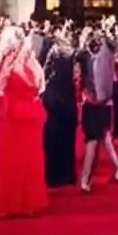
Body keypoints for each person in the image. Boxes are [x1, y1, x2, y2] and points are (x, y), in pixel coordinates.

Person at [0, 27, 48, 218]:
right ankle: (26, 202)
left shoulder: (9, 60)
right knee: (25, 158)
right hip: (27, 114)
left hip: (13, 115)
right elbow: (39, 86)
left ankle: (9, 202)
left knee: (10, 158)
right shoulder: (29, 60)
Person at [78, 32, 118, 191]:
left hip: (94, 105)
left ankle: (87, 179)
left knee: (97, 142)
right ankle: (88, 178)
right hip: (101, 104)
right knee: (100, 141)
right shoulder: (107, 57)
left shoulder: (87, 58)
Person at [42, 35, 78, 187]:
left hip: (53, 98)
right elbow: (77, 77)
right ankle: (67, 173)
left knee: (52, 138)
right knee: (68, 138)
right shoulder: (74, 55)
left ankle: (53, 174)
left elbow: (44, 72)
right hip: (68, 98)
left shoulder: (53, 52)